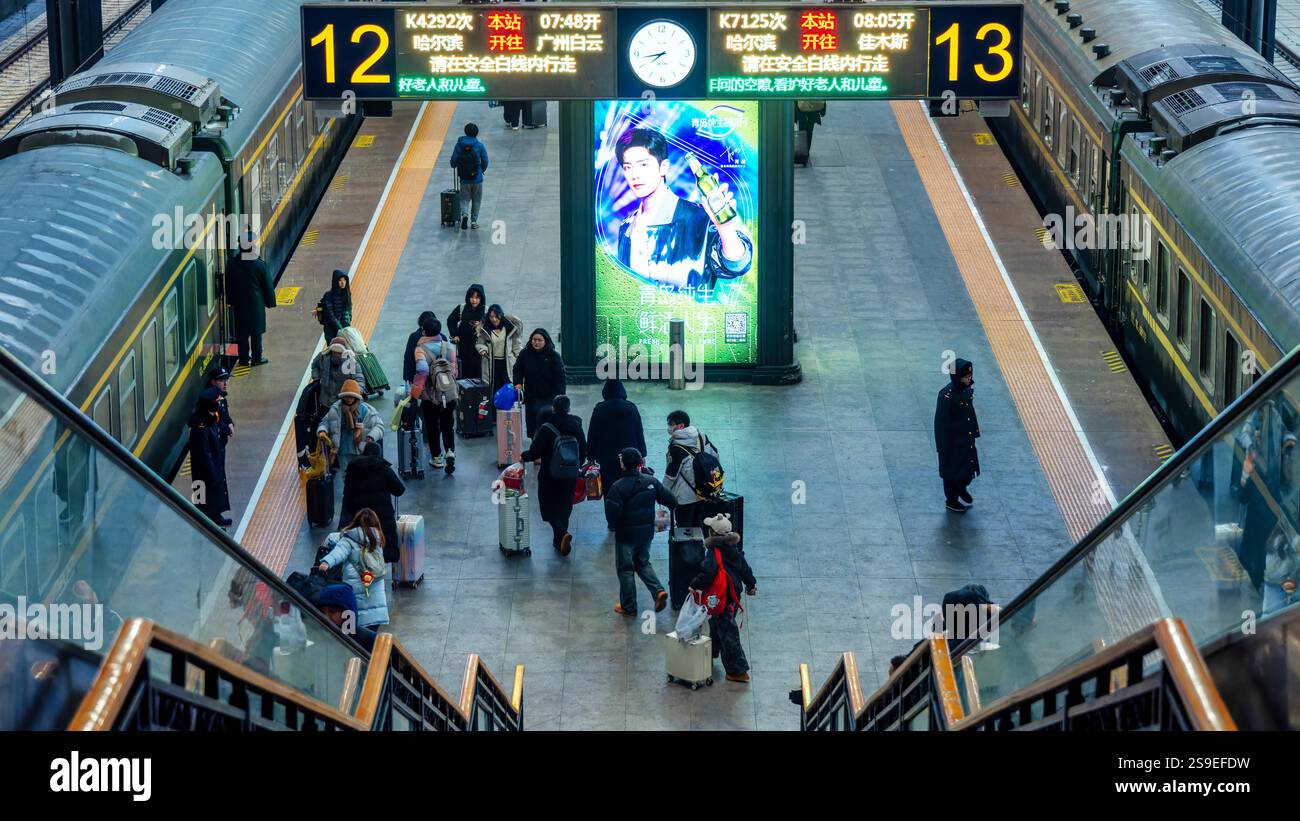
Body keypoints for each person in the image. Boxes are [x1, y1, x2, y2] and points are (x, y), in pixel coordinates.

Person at [612, 126, 753, 291]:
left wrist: (725, 227)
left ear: (663, 167)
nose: (634, 174)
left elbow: (738, 264)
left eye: (643, 165)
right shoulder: (626, 226)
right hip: (641, 315)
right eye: (628, 167)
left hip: (690, 315)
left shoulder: (700, 218)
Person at [604, 448, 677, 616]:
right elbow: (672, 501)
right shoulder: (651, 481)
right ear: (640, 464)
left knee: (625, 569)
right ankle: (658, 591)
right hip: (646, 534)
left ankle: (628, 606)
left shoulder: (617, 488)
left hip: (626, 536)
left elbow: (612, 516)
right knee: (642, 562)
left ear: (623, 465)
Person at [688, 512, 756, 683]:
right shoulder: (735, 550)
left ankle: (737, 671)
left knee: (728, 632)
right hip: (733, 596)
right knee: (718, 623)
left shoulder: (714, 552)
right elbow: (745, 570)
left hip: (721, 597)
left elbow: (707, 574)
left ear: (713, 533)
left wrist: (694, 584)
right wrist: (751, 585)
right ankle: (712, 651)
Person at [520, 395, 586, 555]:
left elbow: (535, 451)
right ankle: (559, 541)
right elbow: (583, 450)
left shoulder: (546, 428)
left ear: (553, 408)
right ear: (569, 408)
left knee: (548, 507)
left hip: (550, 475)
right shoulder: (576, 425)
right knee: (565, 505)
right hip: (570, 474)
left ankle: (562, 533)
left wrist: (523, 456)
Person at [317, 509, 389, 628]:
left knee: (353, 637)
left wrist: (326, 562)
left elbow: (338, 552)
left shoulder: (348, 539)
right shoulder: (377, 541)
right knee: (370, 639)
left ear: (355, 522)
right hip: (377, 608)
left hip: (356, 606)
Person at [339, 441, 405, 564]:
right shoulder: (384, 470)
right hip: (382, 520)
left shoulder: (352, 471)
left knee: (361, 546)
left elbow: (346, 495)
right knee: (383, 544)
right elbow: (400, 490)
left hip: (359, 518)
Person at [587, 378, 647, 500]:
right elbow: (639, 431)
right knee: (630, 485)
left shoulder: (599, 409)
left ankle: (612, 512)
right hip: (629, 456)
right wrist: (642, 454)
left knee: (609, 487)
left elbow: (592, 433)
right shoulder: (631, 408)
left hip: (606, 457)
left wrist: (590, 456)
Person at [934, 358, 980, 513]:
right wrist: (943, 447)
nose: (969, 379)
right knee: (951, 472)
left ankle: (961, 487)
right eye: (966, 376)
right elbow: (941, 424)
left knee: (967, 469)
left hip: (965, 439)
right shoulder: (946, 396)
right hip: (952, 442)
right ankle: (952, 500)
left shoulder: (965, 390)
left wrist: (974, 431)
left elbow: (969, 412)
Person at [414, 317, 458, 473]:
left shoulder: (420, 350)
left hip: (430, 396)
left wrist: (415, 393)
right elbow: (454, 371)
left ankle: (437, 457)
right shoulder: (449, 346)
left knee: (432, 426)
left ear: (424, 331)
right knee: (448, 424)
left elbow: (422, 372)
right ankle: (450, 451)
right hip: (449, 393)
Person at [226, 231, 277, 366]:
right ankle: (256, 358)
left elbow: (229, 285)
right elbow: (267, 286)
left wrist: (230, 301)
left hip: (239, 304)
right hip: (256, 304)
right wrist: (270, 302)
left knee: (242, 332)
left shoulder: (232, 264)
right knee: (256, 332)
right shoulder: (259, 265)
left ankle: (243, 359)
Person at [664, 410, 720, 527]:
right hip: (704, 490)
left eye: (671, 424)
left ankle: (687, 545)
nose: (669, 427)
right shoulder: (701, 435)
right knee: (697, 523)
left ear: (681, 426)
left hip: (685, 498)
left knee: (684, 527)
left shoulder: (676, 447)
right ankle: (698, 544)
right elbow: (715, 455)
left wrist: (663, 493)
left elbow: (671, 475)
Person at [317, 379, 384, 476]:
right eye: (346, 396)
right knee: (346, 476)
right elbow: (325, 422)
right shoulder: (336, 409)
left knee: (361, 476)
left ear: (356, 397)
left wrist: (371, 436)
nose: (348, 399)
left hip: (360, 449)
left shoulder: (366, 410)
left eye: (351, 396)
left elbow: (379, 426)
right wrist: (322, 430)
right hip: (342, 449)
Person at [188, 387, 231, 526]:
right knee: (203, 500)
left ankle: (216, 517)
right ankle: (206, 524)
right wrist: (213, 473)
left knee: (214, 496)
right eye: (217, 401)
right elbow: (203, 453)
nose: (219, 403)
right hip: (204, 471)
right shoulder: (200, 426)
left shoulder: (209, 418)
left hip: (213, 465)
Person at [512, 328, 566, 439]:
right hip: (531, 396)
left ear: (545, 341)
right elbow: (518, 369)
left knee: (546, 425)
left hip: (549, 397)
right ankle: (534, 444)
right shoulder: (525, 354)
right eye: (534, 339)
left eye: (539, 340)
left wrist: (559, 398)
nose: (536, 342)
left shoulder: (554, 356)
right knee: (532, 424)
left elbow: (560, 379)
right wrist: (518, 382)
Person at [311, 582, 377, 652]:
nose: (326, 617)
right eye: (322, 612)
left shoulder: (367, 640)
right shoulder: (317, 636)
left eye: (332, 611)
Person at [474, 303, 523, 396]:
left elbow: (516, 346)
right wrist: (483, 349)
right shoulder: (485, 329)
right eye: (491, 317)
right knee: (493, 389)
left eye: (497, 316)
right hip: (491, 363)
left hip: (507, 363)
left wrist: (521, 360)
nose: (494, 319)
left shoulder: (509, 328)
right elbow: (479, 343)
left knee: (507, 388)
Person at [311, 337, 366, 416]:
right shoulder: (322, 357)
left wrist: (354, 393)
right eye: (334, 352)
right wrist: (316, 378)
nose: (337, 355)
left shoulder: (351, 362)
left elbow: (360, 380)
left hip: (343, 402)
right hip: (325, 401)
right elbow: (314, 366)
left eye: (339, 353)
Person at [449, 122, 489, 230]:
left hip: (464, 178)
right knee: (476, 200)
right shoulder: (479, 145)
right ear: (476, 133)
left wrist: (454, 165)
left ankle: (465, 215)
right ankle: (474, 221)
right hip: (477, 179)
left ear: (465, 132)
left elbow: (453, 161)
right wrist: (481, 170)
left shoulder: (459, 145)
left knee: (464, 199)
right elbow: (485, 160)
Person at [447, 283, 487, 380]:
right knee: (463, 370)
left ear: (481, 299)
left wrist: (481, 325)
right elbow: (451, 320)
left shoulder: (486, 311)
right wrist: (455, 334)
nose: (474, 300)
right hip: (463, 346)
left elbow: (491, 326)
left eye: (477, 298)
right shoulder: (462, 308)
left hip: (478, 348)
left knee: (478, 372)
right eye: (472, 297)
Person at [402, 310, 437, 386]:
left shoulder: (414, 337)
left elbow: (408, 358)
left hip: (418, 376)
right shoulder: (442, 337)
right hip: (437, 375)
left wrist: (407, 378)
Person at [318, 269, 353, 343]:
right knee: (334, 349)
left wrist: (347, 323)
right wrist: (340, 329)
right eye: (340, 280)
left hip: (344, 328)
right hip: (331, 330)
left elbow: (348, 309)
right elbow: (330, 315)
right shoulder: (329, 296)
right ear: (335, 281)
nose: (343, 283)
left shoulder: (347, 294)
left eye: (345, 280)